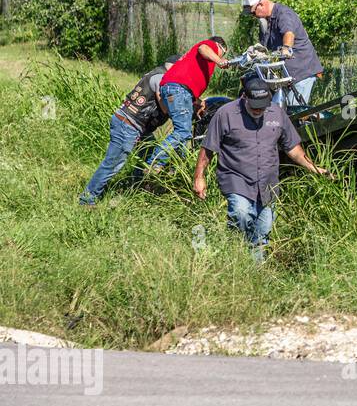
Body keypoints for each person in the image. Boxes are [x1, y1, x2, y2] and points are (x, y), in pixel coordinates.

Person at [194, 75, 327, 256]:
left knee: (263, 231)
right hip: (236, 177)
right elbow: (208, 149)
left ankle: (255, 271)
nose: (259, 110)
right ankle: (235, 252)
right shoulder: (225, 114)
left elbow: (293, 148)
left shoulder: (277, 114)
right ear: (245, 98)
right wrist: (199, 177)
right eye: (255, 106)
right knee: (241, 213)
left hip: (268, 183)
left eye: (263, 106)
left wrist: (314, 168)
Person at [79, 54, 182, 205]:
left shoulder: (156, 73)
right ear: (175, 65)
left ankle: (136, 186)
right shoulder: (162, 79)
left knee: (149, 150)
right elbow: (165, 106)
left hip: (132, 123)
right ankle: (87, 199)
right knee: (113, 164)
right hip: (129, 124)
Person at [145, 36, 228, 169]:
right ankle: (154, 165)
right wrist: (220, 60)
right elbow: (203, 48)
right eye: (223, 53)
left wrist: (196, 101)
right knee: (183, 131)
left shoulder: (195, 61)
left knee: (184, 134)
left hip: (176, 90)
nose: (222, 56)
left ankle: (177, 168)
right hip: (178, 90)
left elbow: (188, 80)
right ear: (219, 46)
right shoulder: (210, 45)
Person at [243, 0, 323, 112]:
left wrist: (286, 49)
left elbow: (289, 34)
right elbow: (266, 47)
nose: (254, 16)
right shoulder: (266, 21)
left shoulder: (283, 14)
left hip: (301, 71)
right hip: (285, 74)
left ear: (261, 4)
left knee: (294, 113)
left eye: (253, 12)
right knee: (279, 110)